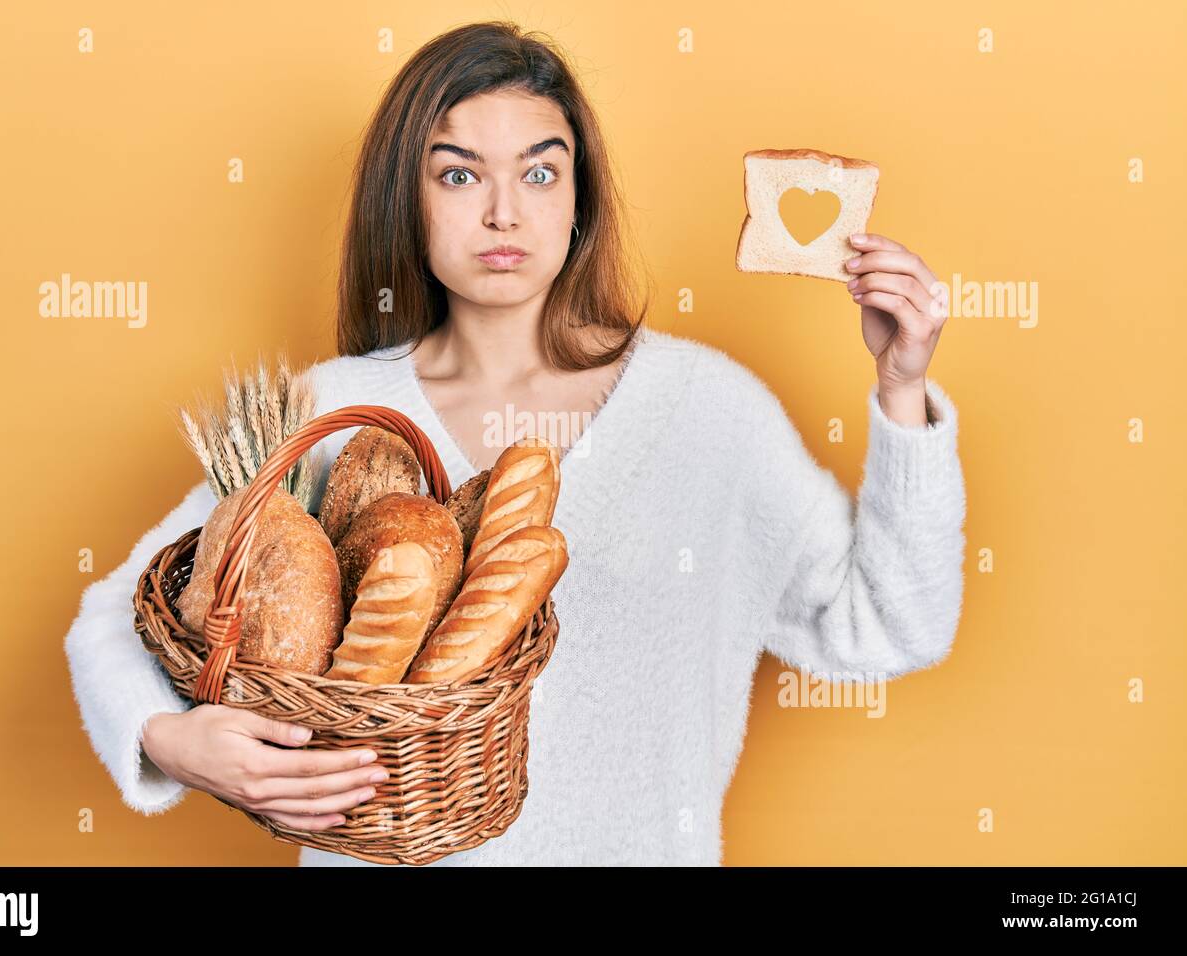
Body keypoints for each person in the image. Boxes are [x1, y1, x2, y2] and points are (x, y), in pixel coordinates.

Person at [64, 20, 966, 866]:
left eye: (540, 173)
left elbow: (888, 627)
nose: (504, 213)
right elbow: (118, 614)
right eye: (459, 175)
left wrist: (902, 390)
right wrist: (171, 741)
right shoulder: (332, 412)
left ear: (579, 198)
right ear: (406, 201)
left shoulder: (708, 411)